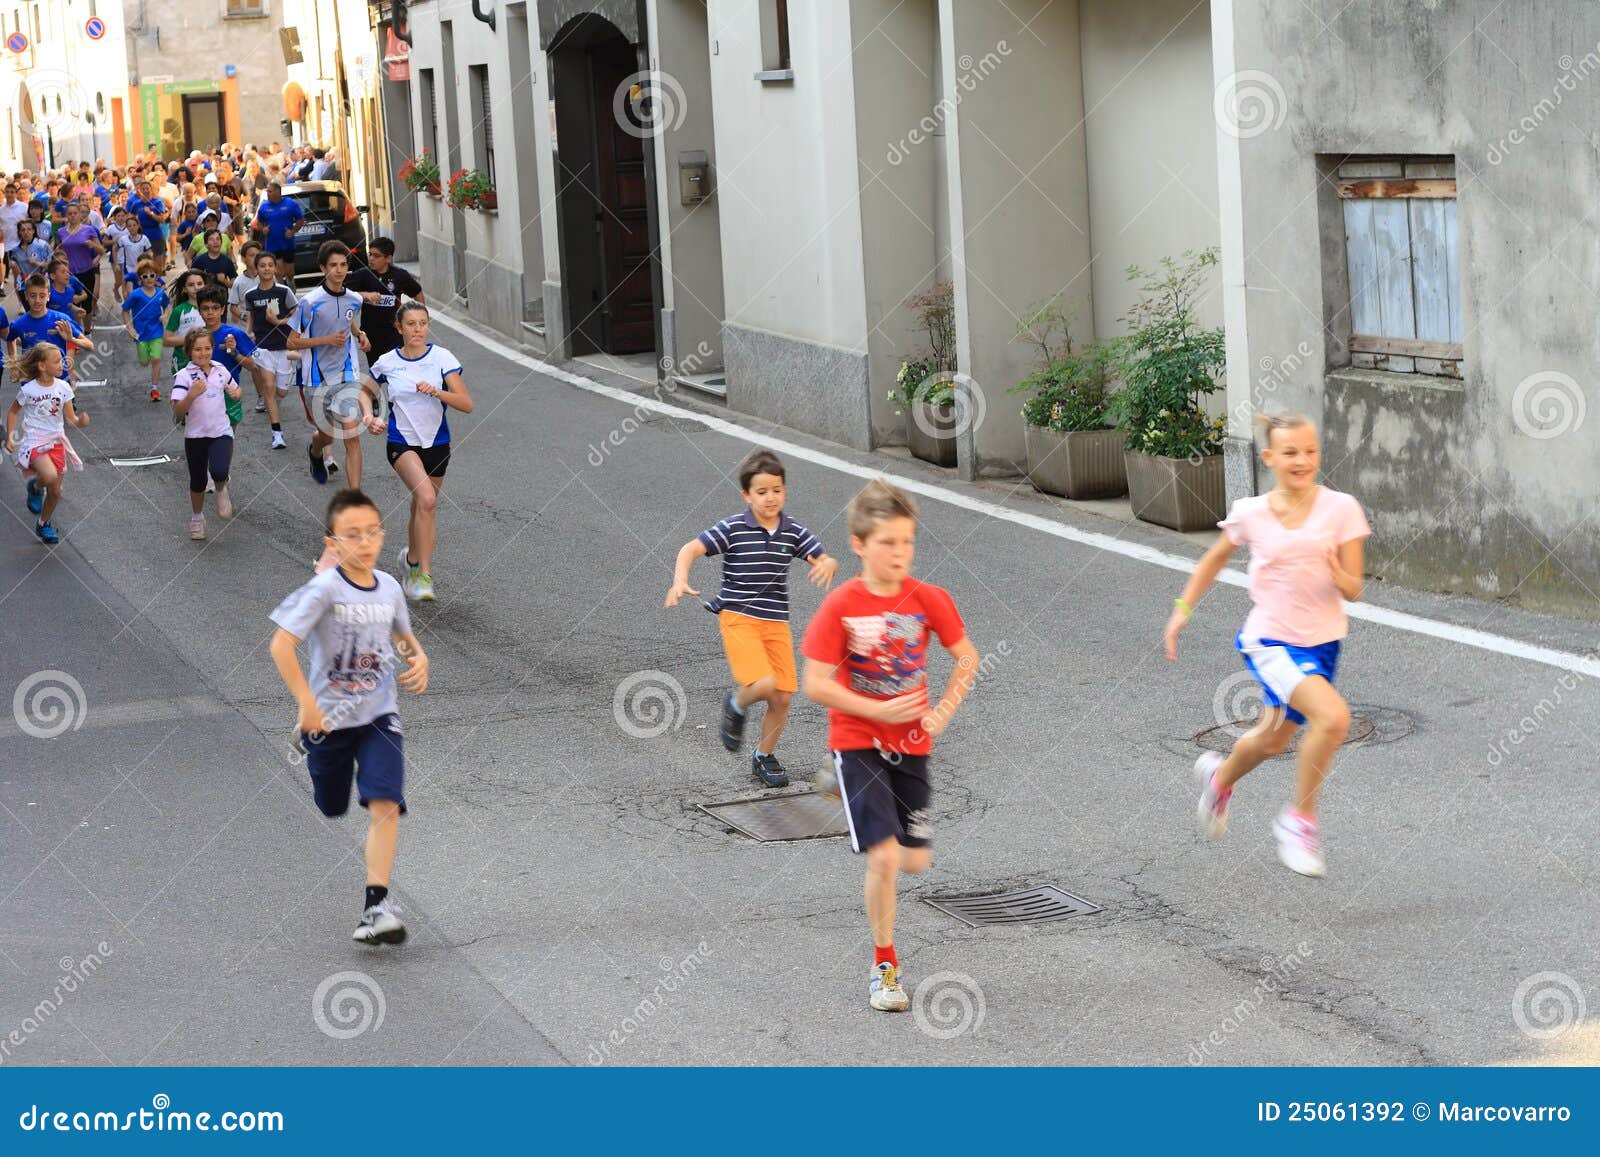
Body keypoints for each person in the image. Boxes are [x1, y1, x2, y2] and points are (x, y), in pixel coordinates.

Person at [799, 480, 978, 1013]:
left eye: (907, 542)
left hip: (913, 744)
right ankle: (885, 967)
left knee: (914, 863)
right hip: (858, 739)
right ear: (859, 544)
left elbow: (967, 657)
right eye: (887, 543)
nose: (899, 553)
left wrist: (942, 713)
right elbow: (815, 682)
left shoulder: (929, 599)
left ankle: (844, 792)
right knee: (883, 858)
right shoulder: (842, 605)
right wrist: (875, 710)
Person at [1167, 412, 1371, 879]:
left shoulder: (1343, 509)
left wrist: (1335, 572)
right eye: (1291, 452)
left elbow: (1355, 588)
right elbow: (1215, 558)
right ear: (1269, 457)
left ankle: (1219, 780)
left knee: (1272, 740)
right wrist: (1182, 609)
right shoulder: (1251, 513)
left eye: (1311, 451)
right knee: (1334, 718)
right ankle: (1298, 821)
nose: (1302, 460)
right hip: (1270, 642)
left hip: (1322, 644)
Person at [268, 488, 429, 945]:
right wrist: (307, 704)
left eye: (372, 532)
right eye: (351, 535)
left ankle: (376, 906)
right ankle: (306, 738)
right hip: (329, 722)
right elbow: (281, 644)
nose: (364, 542)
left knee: (385, 802)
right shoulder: (323, 589)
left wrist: (418, 658)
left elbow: (400, 636)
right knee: (332, 804)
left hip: (380, 716)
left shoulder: (391, 587)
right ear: (332, 543)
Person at [666, 447, 838, 787]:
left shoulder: (791, 530)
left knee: (783, 695)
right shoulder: (733, 528)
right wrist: (680, 579)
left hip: (775, 621)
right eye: (761, 492)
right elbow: (691, 548)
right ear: (747, 495)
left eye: (776, 490)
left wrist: (828, 563)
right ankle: (736, 703)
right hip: (738, 616)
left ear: (784, 491)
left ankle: (764, 756)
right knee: (764, 683)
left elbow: (822, 557)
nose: (770, 498)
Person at [360, 302, 474, 602]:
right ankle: (422, 576)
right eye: (411, 324)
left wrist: (437, 391)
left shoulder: (441, 358)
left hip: (437, 444)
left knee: (420, 507)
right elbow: (365, 392)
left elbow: (466, 403)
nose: (418, 329)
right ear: (399, 328)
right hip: (401, 442)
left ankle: (410, 560)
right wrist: (369, 417)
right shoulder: (387, 362)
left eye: (423, 323)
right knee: (427, 501)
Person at [288, 240, 369, 486]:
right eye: (333, 265)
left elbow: (345, 319)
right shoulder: (309, 302)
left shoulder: (355, 299)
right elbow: (292, 342)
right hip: (315, 378)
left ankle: (355, 496)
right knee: (327, 434)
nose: (339, 270)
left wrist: (359, 334)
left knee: (351, 434)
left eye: (343, 265)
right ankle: (315, 452)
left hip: (345, 375)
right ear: (323, 268)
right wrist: (326, 340)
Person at [4, 342, 88, 545]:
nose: (62, 364)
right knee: (49, 475)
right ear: (42, 366)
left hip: (56, 441)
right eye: (57, 361)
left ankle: (43, 523)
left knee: (56, 491)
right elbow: (13, 411)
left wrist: (80, 421)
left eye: (61, 360)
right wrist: (10, 437)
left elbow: (71, 418)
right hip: (35, 441)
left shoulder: (64, 387)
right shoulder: (29, 390)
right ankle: (37, 484)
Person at [170, 329, 242, 540]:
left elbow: (237, 391)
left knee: (219, 470)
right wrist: (191, 395)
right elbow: (178, 411)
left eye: (207, 348)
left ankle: (221, 488)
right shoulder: (184, 376)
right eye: (198, 349)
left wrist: (235, 394)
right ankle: (197, 517)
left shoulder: (220, 370)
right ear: (189, 352)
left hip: (221, 431)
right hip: (195, 435)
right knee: (198, 481)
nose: (203, 353)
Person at [242, 249, 297, 448]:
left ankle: (273, 402)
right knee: (268, 386)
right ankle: (277, 434)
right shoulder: (251, 295)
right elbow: (252, 318)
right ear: (256, 269)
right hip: (262, 348)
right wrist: (248, 333)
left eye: (270, 265)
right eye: (262, 265)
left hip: (282, 347)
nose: (266, 269)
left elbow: (297, 317)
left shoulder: (284, 292)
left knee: (281, 392)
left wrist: (278, 321)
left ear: (275, 268)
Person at [345, 237, 424, 370]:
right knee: (378, 371)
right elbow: (343, 293)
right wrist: (365, 295)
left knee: (397, 370)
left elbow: (418, 293)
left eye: (376, 256)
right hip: (371, 333)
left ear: (388, 258)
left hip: (394, 333)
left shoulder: (400, 275)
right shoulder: (363, 275)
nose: (371, 259)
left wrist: (420, 319)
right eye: (370, 254)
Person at [8, 275, 92, 383]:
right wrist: (14, 367)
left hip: (60, 383)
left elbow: (89, 345)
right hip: (31, 383)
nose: (37, 300)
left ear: (48, 296)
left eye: (42, 296)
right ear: (26, 296)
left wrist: (71, 339)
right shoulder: (18, 324)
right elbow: (10, 340)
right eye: (33, 295)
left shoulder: (61, 319)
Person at [122, 261, 172, 401]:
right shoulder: (136, 295)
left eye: (152, 275)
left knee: (156, 359)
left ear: (157, 277)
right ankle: (147, 359)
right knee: (144, 362)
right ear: (140, 279)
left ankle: (154, 388)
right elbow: (125, 311)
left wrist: (165, 315)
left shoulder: (160, 293)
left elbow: (167, 305)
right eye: (145, 276)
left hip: (156, 331)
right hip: (140, 333)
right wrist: (129, 327)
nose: (149, 278)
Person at [252, 180, 304, 284]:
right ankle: (282, 289)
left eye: (270, 191)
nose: (268, 194)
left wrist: (292, 231)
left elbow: (300, 220)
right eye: (267, 191)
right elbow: (258, 223)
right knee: (278, 271)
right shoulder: (264, 207)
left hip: (287, 243)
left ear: (278, 192)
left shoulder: (291, 204)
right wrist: (263, 229)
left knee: (289, 271)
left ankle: (291, 282)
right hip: (272, 245)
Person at [163, 268, 207, 374]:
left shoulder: (212, 307)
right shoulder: (179, 310)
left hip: (207, 359)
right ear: (184, 289)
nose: (196, 288)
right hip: (184, 361)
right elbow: (166, 340)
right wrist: (193, 339)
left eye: (200, 283)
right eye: (191, 285)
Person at [6, 218, 52, 295]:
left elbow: (51, 266)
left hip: (42, 285)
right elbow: (16, 276)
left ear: (33, 231)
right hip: (24, 286)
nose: (26, 232)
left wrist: (37, 262)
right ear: (19, 232)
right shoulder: (15, 250)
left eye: (29, 229)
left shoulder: (43, 245)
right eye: (23, 230)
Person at [228, 240, 263, 325]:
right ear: (244, 259)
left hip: (267, 326)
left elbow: (275, 300)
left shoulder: (268, 277)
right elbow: (233, 307)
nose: (255, 258)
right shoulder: (239, 282)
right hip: (247, 328)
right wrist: (244, 317)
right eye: (252, 255)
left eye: (258, 255)